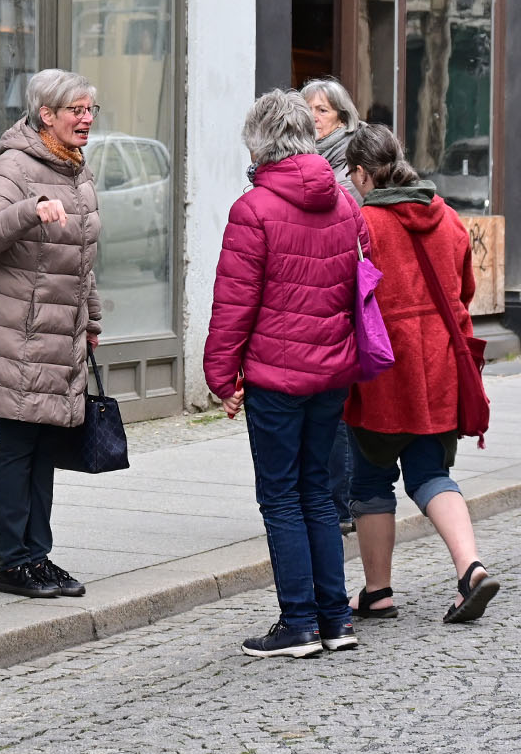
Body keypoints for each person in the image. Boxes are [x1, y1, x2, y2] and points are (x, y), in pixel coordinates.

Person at [203, 88, 367, 659]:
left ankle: (298, 623)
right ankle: (336, 619)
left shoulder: (254, 209)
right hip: (332, 372)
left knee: (280, 497)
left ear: (260, 140)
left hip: (277, 375)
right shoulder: (345, 201)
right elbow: (364, 284)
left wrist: (222, 377)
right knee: (318, 494)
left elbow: (234, 303)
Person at [343, 123, 500, 624]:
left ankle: (378, 591)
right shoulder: (449, 219)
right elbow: (465, 292)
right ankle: (470, 568)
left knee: (370, 481)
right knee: (432, 474)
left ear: (365, 174)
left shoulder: (361, 225)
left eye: (352, 175)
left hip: (382, 372)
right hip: (439, 372)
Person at [0, 68, 102, 600]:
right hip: (17, 335)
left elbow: (83, 258)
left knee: (44, 447)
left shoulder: (75, 170)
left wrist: (91, 318)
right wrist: (29, 211)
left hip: (58, 333)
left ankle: (36, 556)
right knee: (19, 446)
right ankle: (13, 561)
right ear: (47, 115)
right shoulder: (15, 164)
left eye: (91, 111)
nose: (86, 119)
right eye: (77, 111)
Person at [301, 76, 364, 533]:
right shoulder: (307, 160)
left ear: (341, 118)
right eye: (307, 110)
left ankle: (339, 503)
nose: (312, 118)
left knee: (336, 407)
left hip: (341, 297)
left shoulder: (347, 163)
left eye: (321, 110)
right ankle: (324, 497)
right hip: (312, 295)